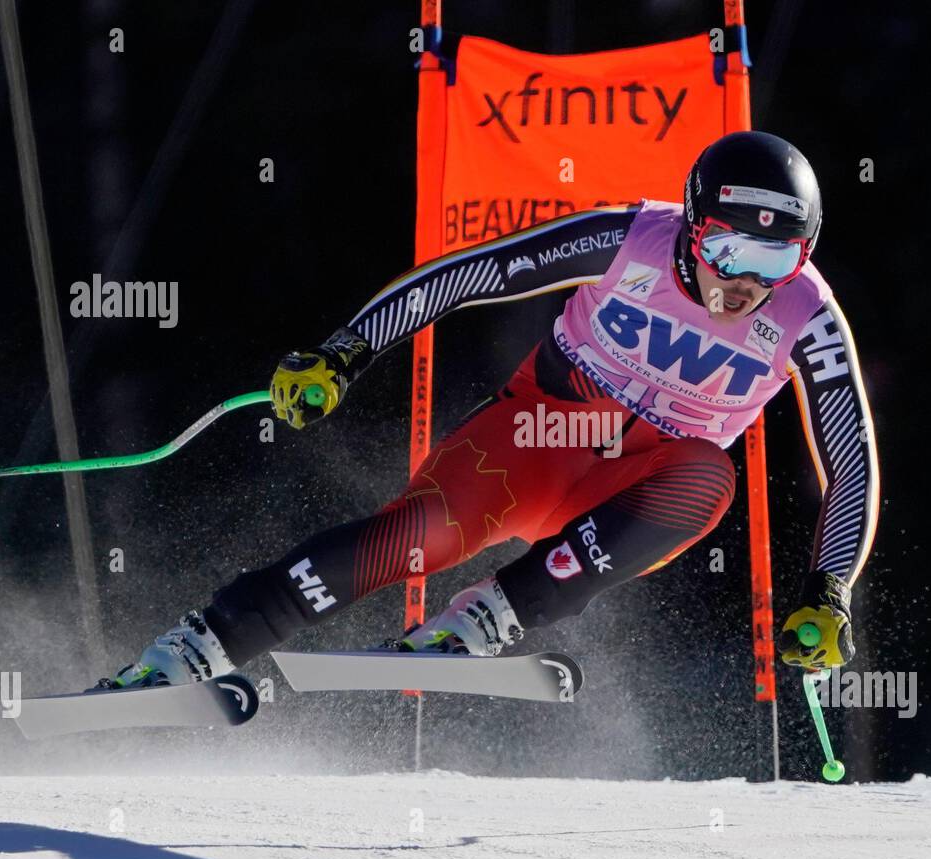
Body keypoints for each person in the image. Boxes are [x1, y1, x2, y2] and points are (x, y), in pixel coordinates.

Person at [101, 130, 880, 690]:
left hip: (638, 485)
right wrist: (346, 353)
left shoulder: (807, 316)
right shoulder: (630, 238)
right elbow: (479, 272)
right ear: (690, 225)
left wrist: (829, 588)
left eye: (777, 259)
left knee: (710, 478)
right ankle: (197, 647)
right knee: (414, 538)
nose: (746, 281)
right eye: (729, 251)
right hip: (546, 432)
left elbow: (852, 461)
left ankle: (486, 619)